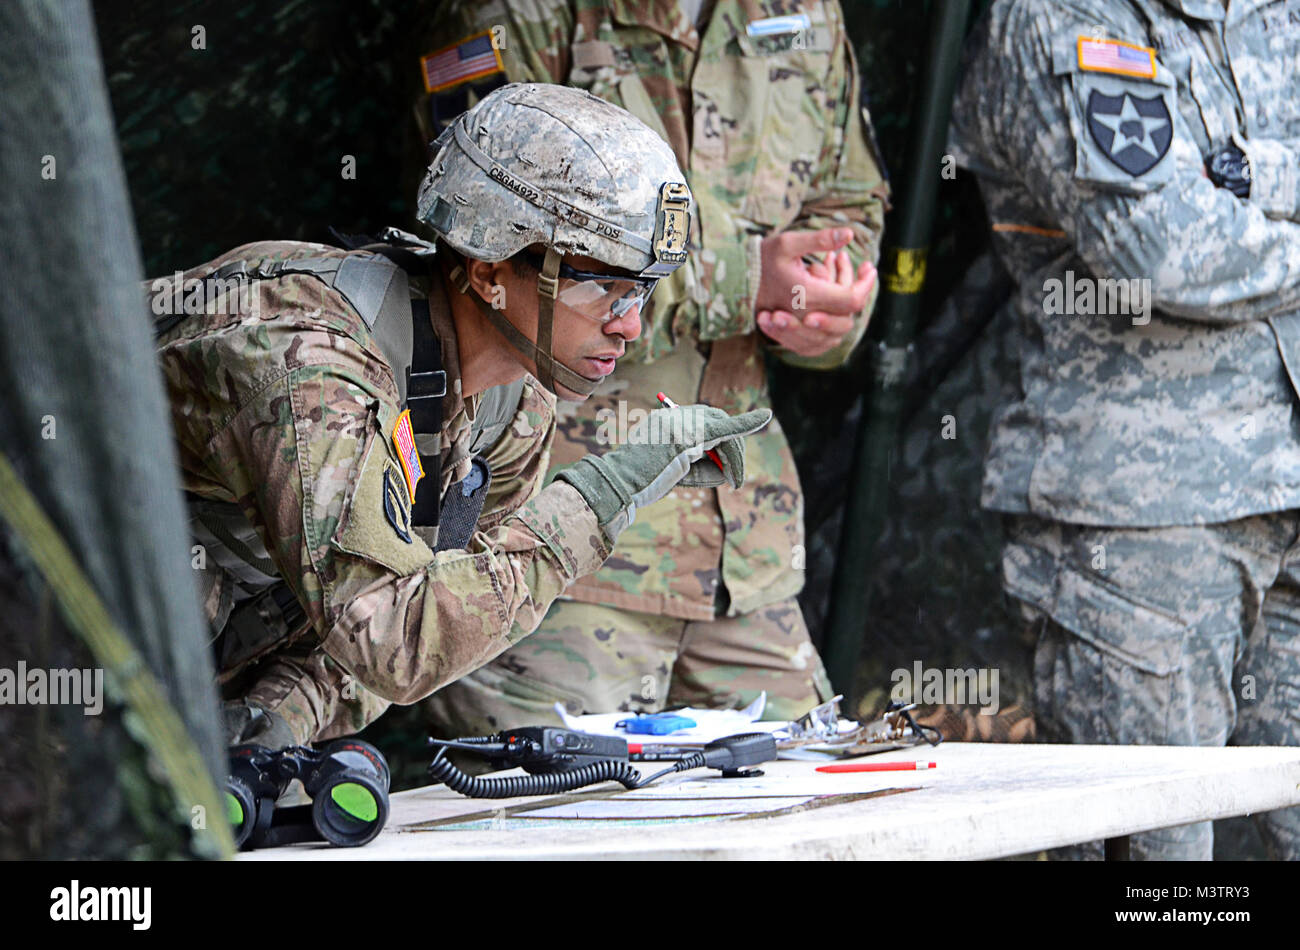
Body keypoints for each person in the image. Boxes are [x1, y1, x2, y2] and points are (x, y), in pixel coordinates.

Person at [153, 82, 771, 748]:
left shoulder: (513, 401)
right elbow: (396, 639)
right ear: (487, 274)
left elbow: (454, 606)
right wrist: (603, 496)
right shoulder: (313, 368)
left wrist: (273, 724)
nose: (629, 325)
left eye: (644, 289)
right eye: (600, 284)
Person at [413, 0, 887, 733]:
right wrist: (743, 279)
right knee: (565, 832)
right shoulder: (519, 12)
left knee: (812, 823)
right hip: (552, 548)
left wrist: (825, 305)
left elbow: (850, 209)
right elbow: (484, 253)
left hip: (744, 549)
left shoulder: (803, 11)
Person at [950, 0, 1300, 859]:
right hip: (1148, 522)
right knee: (1156, 878)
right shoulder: (1061, 17)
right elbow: (1165, 252)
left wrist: (1246, 179)